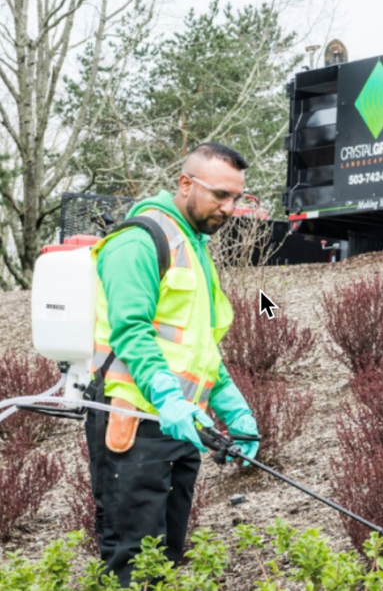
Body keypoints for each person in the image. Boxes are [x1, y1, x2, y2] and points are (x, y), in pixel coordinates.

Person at [85, 142, 259, 586]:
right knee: (134, 559)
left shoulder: (194, 248)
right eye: (221, 195)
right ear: (185, 183)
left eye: (237, 198)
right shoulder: (139, 241)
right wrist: (168, 400)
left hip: (180, 425)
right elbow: (131, 332)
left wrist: (232, 406)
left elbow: (198, 345)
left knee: (166, 555)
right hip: (135, 417)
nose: (231, 207)